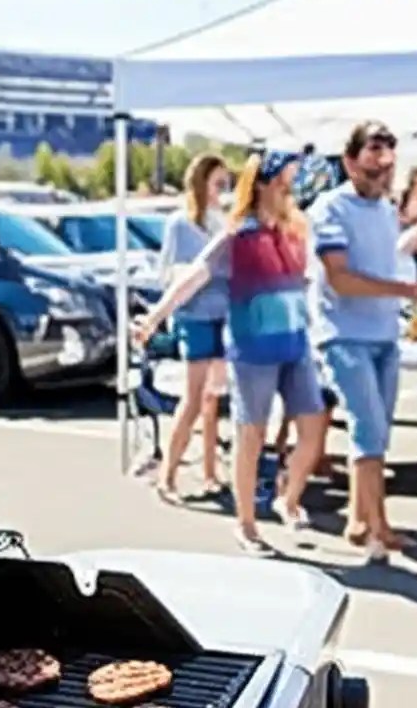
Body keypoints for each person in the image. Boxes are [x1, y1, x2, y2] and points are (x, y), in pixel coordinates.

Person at [134, 150, 326, 557]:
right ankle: (246, 526)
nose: (291, 189)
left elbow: (309, 282)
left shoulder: (294, 232)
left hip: (296, 345)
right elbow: (193, 276)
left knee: (313, 429)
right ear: (263, 185)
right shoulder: (237, 236)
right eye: (285, 181)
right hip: (254, 350)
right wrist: (154, 317)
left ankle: (287, 498)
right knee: (249, 436)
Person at [309, 121, 417, 558]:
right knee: (368, 430)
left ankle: (356, 519)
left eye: (387, 166)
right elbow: (341, 280)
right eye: (372, 165)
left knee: (376, 434)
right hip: (343, 336)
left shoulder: (386, 210)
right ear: (349, 162)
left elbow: (388, 266)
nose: (381, 175)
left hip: (385, 335)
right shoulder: (329, 209)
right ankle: (379, 528)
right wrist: (404, 292)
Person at [149, 153, 231, 503]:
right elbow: (173, 272)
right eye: (218, 183)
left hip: (223, 314)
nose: (222, 191)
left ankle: (210, 472)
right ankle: (167, 475)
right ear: (202, 184)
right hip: (195, 317)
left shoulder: (224, 221)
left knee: (213, 399)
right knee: (194, 398)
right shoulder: (181, 223)